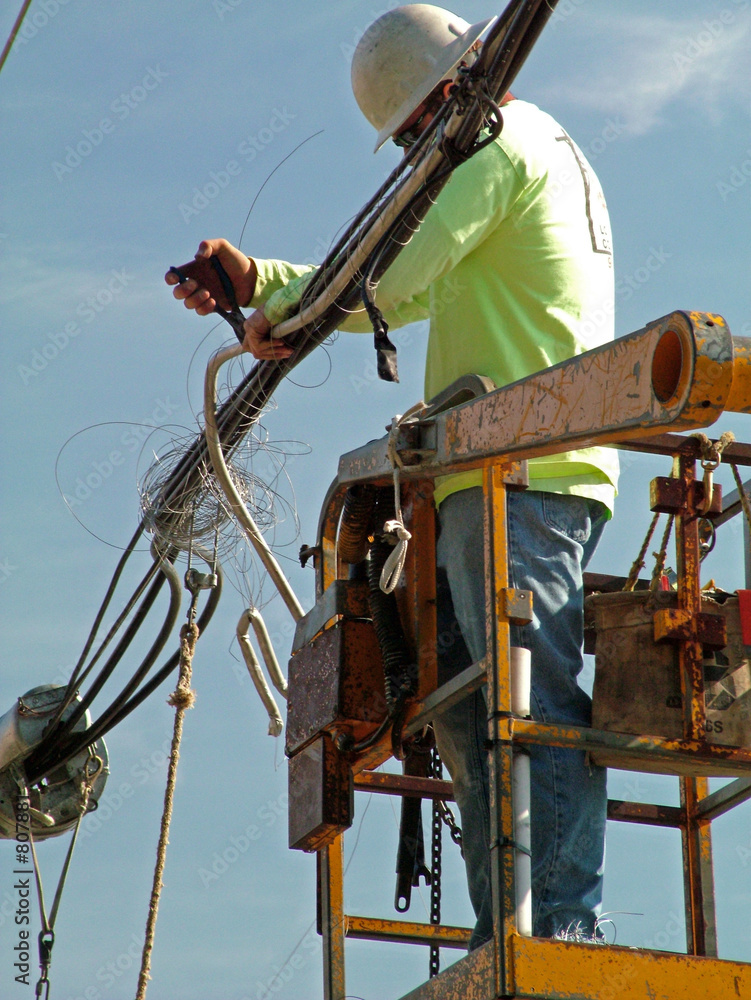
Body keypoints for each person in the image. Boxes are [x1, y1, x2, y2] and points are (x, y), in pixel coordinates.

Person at [167, 4, 619, 947]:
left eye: (413, 134)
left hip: (526, 469)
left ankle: (557, 935)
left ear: (448, 93)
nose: (417, 155)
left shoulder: (499, 144)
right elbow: (406, 278)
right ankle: (511, 933)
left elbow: (396, 271)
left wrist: (290, 314)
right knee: (468, 705)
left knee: (529, 697)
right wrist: (264, 285)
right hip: (484, 475)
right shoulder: (504, 153)